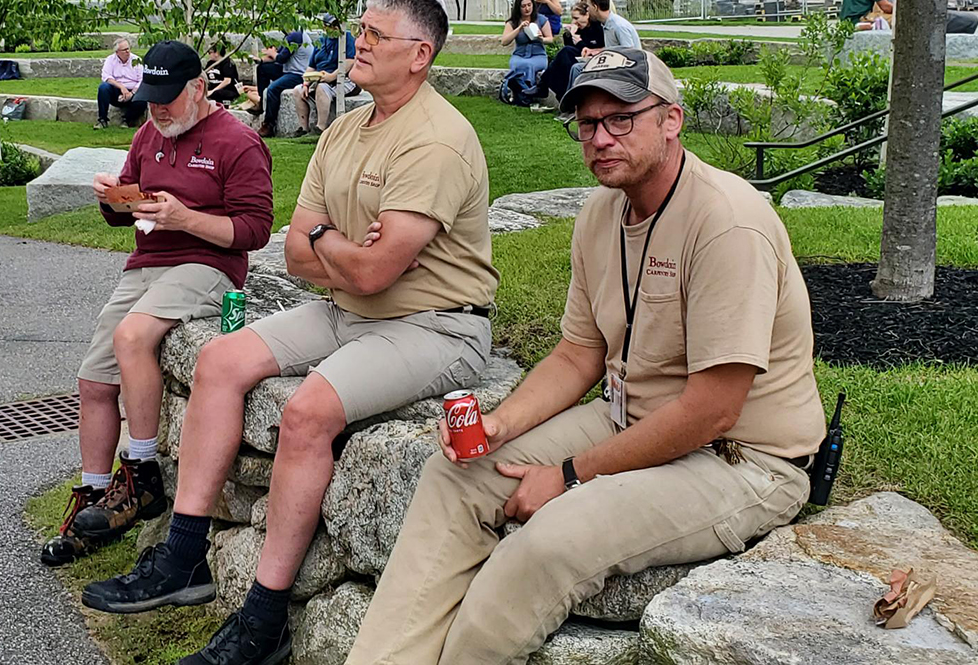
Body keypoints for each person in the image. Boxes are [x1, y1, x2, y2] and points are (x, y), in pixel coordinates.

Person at [346, 46, 826, 665]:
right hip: (629, 417)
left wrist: (571, 474)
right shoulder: (601, 215)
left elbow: (713, 411)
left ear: (672, 120)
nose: (600, 138)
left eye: (620, 118)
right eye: (587, 123)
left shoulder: (728, 224)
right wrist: (502, 425)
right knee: (457, 473)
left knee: (546, 542)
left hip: (741, 459)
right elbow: (579, 355)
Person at [82, 0, 498, 665]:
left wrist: (330, 245)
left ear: (420, 55)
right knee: (218, 362)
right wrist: (340, 242)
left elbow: (370, 271)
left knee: (306, 413)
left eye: (375, 35)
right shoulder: (342, 129)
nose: (357, 42)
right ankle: (182, 559)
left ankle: (263, 620)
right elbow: (296, 251)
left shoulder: (437, 141)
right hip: (347, 312)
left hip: (434, 326)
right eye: (359, 29)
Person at [42, 41, 273, 566]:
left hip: (209, 266)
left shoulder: (238, 142)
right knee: (93, 381)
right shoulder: (150, 133)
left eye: (168, 98)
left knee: (131, 336)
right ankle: (95, 500)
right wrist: (113, 200)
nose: (158, 109)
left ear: (200, 88)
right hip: (148, 263)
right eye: (151, 99)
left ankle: (142, 475)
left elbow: (255, 230)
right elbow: (132, 208)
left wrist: (186, 218)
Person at [565, 0, 641, 98]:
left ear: (595, 7)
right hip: (612, 64)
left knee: (578, 69)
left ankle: (572, 107)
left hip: (624, 70)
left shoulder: (619, 26)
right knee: (576, 67)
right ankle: (572, 106)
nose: (588, 10)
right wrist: (594, 51)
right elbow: (614, 48)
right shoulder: (606, 24)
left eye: (589, 7)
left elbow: (630, 53)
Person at [292, 15, 357, 135]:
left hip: (343, 79)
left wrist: (332, 76)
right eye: (330, 25)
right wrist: (306, 82)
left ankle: (320, 127)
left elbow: (350, 61)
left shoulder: (346, 37)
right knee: (297, 91)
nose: (333, 28)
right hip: (321, 77)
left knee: (322, 88)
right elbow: (311, 66)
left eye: (335, 25)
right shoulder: (321, 41)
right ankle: (303, 128)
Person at [537, 2, 604, 111]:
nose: (574, 22)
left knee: (565, 55)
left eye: (576, 18)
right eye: (572, 18)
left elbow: (587, 49)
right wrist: (569, 35)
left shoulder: (597, 28)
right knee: (563, 63)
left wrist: (578, 40)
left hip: (592, 59)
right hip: (576, 58)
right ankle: (559, 94)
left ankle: (544, 85)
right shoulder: (578, 29)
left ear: (586, 15)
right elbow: (570, 47)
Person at [500, 0, 554, 106]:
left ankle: (525, 93)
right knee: (517, 65)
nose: (527, 8)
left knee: (529, 66)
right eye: (523, 6)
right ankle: (525, 94)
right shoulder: (512, 22)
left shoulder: (541, 19)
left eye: (529, 5)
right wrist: (519, 28)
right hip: (519, 55)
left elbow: (550, 39)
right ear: (518, 8)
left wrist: (541, 39)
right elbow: (504, 41)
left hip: (538, 55)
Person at [256, 30, 311, 139]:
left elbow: (281, 58)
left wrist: (272, 53)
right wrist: (265, 58)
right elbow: (278, 57)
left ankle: (269, 124)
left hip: (298, 74)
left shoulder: (295, 36)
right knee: (262, 68)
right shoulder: (289, 36)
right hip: (288, 70)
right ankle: (261, 102)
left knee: (273, 89)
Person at [97, 39, 145, 129]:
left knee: (142, 99)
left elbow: (142, 80)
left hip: (133, 91)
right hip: (116, 89)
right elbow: (106, 77)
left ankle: (127, 120)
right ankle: (102, 120)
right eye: (124, 50)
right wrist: (121, 87)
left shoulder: (136, 60)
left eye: (128, 49)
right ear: (117, 52)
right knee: (103, 88)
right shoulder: (110, 59)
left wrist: (131, 93)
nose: (127, 52)